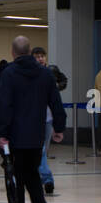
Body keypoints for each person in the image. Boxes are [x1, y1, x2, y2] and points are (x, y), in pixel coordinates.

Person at [0, 36, 66, 203]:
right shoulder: (45, 74)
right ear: (29, 51)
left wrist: (1, 133)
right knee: (32, 174)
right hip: (36, 135)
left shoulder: (8, 74)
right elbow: (55, 101)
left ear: (13, 52)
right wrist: (59, 127)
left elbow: (4, 106)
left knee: (15, 179)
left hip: (15, 137)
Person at [32, 46, 62, 193]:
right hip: (34, 119)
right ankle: (47, 178)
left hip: (48, 119)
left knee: (43, 149)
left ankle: (38, 176)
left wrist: (58, 124)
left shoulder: (50, 74)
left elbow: (56, 100)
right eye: (37, 56)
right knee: (41, 150)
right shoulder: (30, 74)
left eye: (42, 56)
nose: (41, 59)